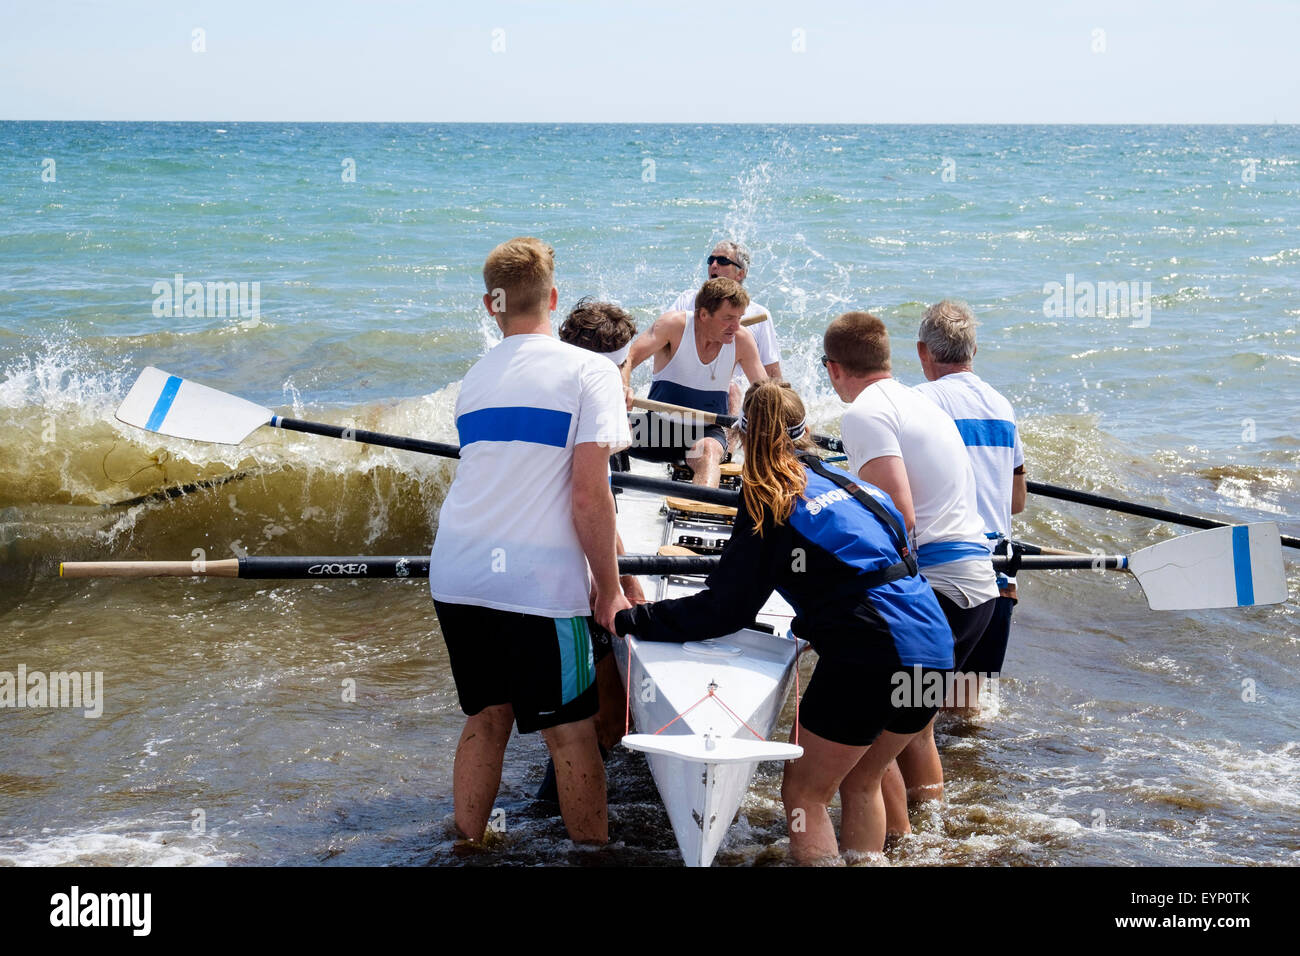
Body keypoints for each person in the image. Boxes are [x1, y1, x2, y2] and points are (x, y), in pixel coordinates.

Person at [612, 381, 953, 864]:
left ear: (742, 435)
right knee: (863, 777)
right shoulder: (859, 486)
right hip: (935, 647)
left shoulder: (768, 499)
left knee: (806, 796)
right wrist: (820, 616)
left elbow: (723, 611)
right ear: (807, 432)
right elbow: (882, 563)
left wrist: (634, 619)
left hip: (872, 653)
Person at [428, 238, 631, 846]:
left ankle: (466, 845)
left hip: (457, 573)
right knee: (571, 730)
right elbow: (590, 497)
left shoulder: (474, 378)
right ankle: (592, 857)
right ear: (554, 297)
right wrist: (612, 590)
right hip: (538, 586)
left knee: (487, 716)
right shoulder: (590, 370)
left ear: (492, 306)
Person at [821, 311, 997, 828]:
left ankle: (891, 849)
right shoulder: (921, 404)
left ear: (834, 369)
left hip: (938, 596)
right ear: (888, 359)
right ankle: (936, 836)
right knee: (911, 728)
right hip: (979, 594)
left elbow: (896, 514)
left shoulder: (864, 414)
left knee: (864, 763)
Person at [912, 300, 1027, 713]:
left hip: (944, 582)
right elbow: (1016, 501)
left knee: (913, 712)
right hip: (999, 584)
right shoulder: (1002, 407)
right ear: (973, 352)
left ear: (924, 352)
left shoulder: (919, 401)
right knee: (963, 715)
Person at [622, 277, 767, 487]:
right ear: (703, 315)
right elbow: (628, 359)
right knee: (602, 434)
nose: (736, 326)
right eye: (728, 318)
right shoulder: (673, 326)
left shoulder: (742, 340)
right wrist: (623, 387)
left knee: (708, 451)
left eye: (739, 318)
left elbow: (765, 392)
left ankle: (701, 511)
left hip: (704, 433)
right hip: (656, 429)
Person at [668, 240, 782, 380]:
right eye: (711, 260)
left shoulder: (760, 315)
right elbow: (663, 345)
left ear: (740, 274)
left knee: (733, 391)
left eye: (722, 261)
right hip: (686, 385)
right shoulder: (686, 300)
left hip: (733, 394)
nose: (713, 265)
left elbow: (772, 373)